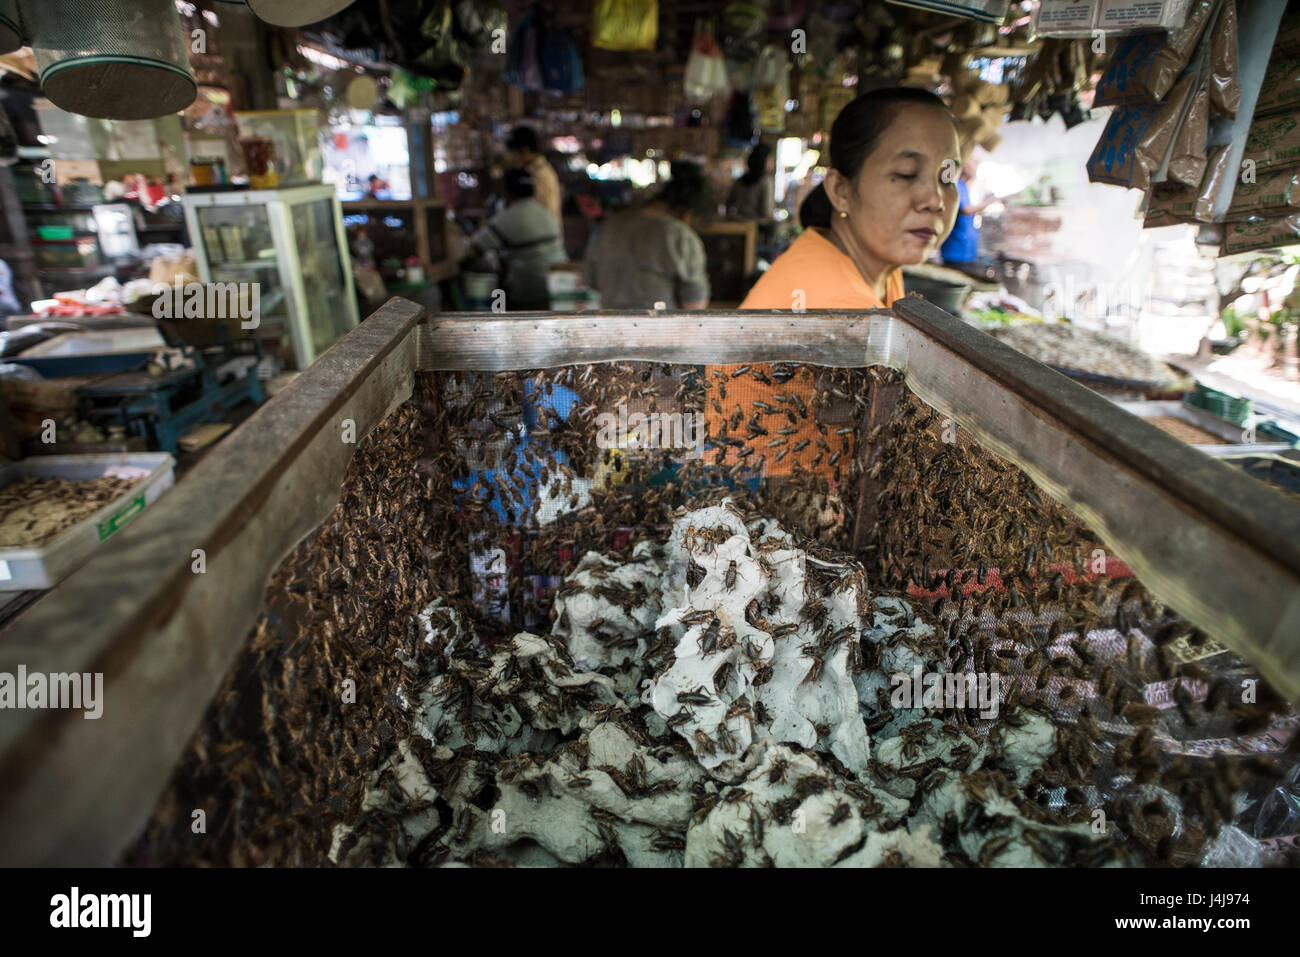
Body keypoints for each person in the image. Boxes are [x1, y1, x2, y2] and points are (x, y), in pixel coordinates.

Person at [708, 88, 961, 478]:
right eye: (906, 174)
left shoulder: (876, 266)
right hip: (762, 501)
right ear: (841, 189)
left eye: (948, 176)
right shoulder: (840, 307)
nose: (934, 199)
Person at [583, 161, 710, 310]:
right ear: (687, 211)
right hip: (661, 329)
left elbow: (591, 280)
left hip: (610, 325)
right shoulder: (681, 237)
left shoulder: (608, 227)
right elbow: (695, 305)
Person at [465, 167, 566, 311]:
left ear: (507, 191)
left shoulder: (506, 218)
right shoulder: (547, 214)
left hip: (528, 291)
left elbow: (476, 248)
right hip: (557, 285)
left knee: (500, 296)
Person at [940, 156, 996, 266]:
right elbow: (965, 210)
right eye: (974, 165)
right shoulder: (955, 184)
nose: (976, 169)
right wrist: (993, 200)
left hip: (966, 251)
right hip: (955, 251)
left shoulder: (964, 186)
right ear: (965, 166)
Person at [506, 125, 562, 225]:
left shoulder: (540, 175)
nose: (513, 158)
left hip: (544, 235)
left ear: (525, 150)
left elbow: (546, 211)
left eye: (514, 153)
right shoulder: (537, 170)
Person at [727, 143, 774, 220]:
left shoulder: (739, 181)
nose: (772, 162)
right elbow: (767, 212)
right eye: (770, 159)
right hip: (756, 227)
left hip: (738, 224)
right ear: (763, 160)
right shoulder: (766, 181)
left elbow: (729, 204)